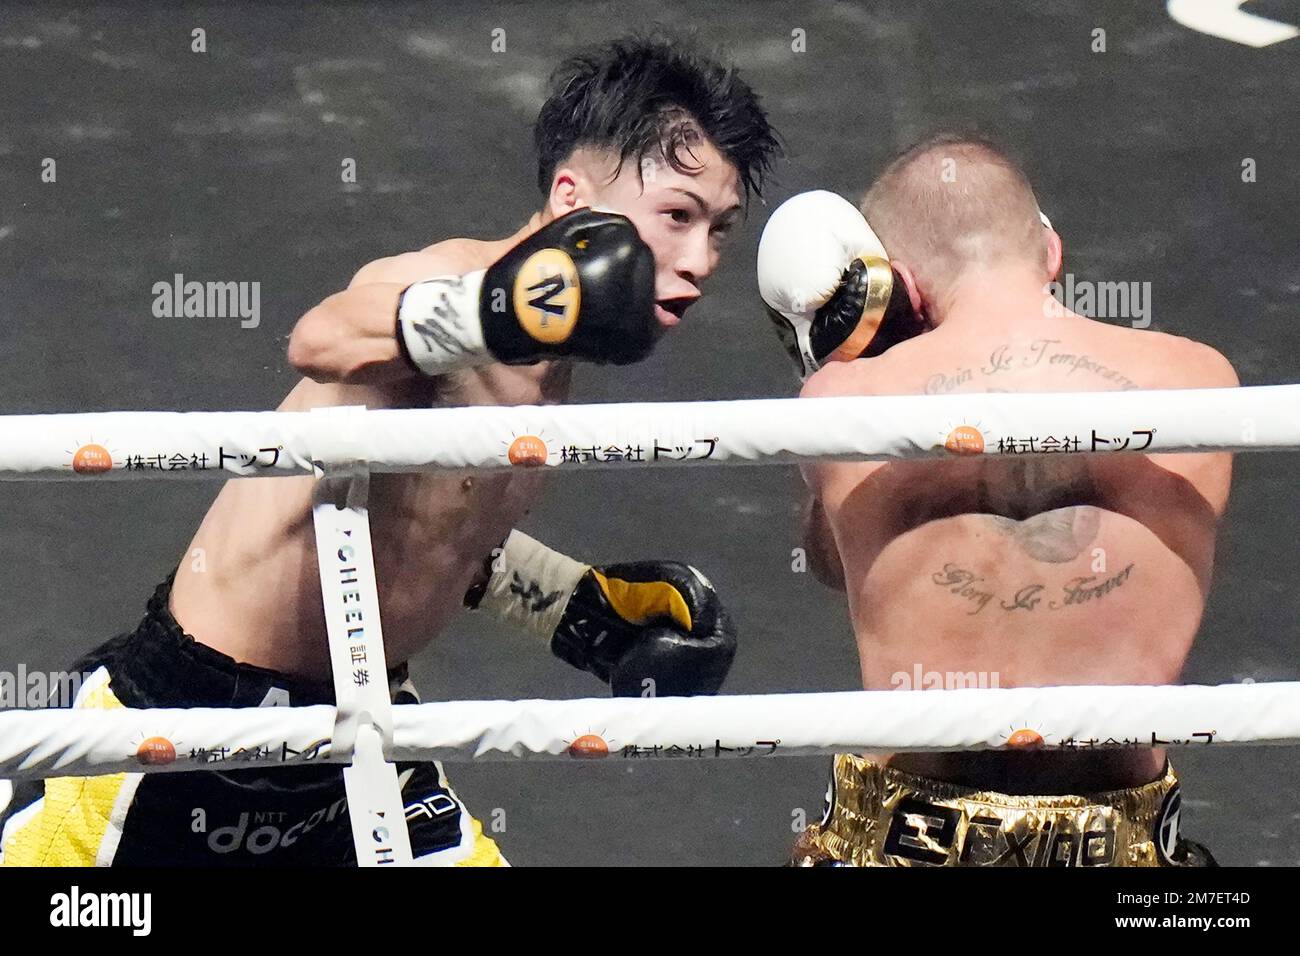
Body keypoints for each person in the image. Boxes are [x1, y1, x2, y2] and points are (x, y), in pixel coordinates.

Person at [0, 33, 779, 867]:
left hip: (360, 738)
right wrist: (490, 316)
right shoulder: (452, 283)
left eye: (720, 230)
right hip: (194, 722)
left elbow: (428, 527)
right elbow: (324, 336)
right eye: (677, 216)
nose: (699, 261)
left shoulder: (553, 375)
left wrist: (571, 607)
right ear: (570, 201)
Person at [758, 133, 1236, 866]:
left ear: (897, 289)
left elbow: (835, 559)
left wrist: (859, 355)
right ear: (1051, 252)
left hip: (900, 842)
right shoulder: (1201, 382)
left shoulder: (848, 402)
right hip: (1124, 852)